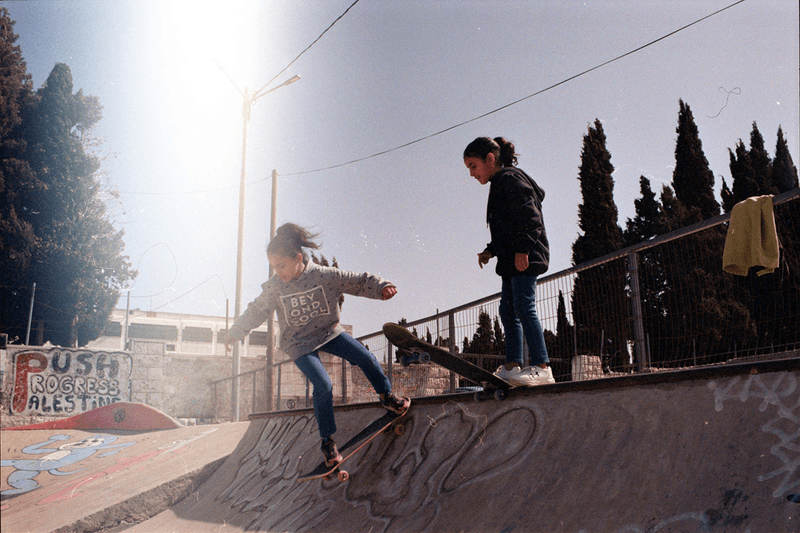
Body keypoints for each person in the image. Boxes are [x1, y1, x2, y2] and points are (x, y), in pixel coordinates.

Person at [224, 223, 409, 466]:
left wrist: (381, 286)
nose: (278, 273)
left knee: (365, 357)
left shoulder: (324, 275)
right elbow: (256, 310)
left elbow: (356, 281)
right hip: (298, 343)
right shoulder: (275, 288)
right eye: (273, 268)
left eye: (282, 266)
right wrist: (236, 332)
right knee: (323, 384)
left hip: (328, 332)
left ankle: (386, 396)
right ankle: (328, 441)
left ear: (298, 258)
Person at [463, 136, 555, 386]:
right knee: (508, 310)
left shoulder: (510, 179)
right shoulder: (499, 183)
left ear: (490, 159)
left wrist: (524, 249)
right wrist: (490, 250)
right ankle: (513, 366)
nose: (472, 174)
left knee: (524, 307)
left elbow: (531, 218)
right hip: (511, 259)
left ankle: (542, 367)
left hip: (525, 256)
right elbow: (506, 228)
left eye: (473, 166)